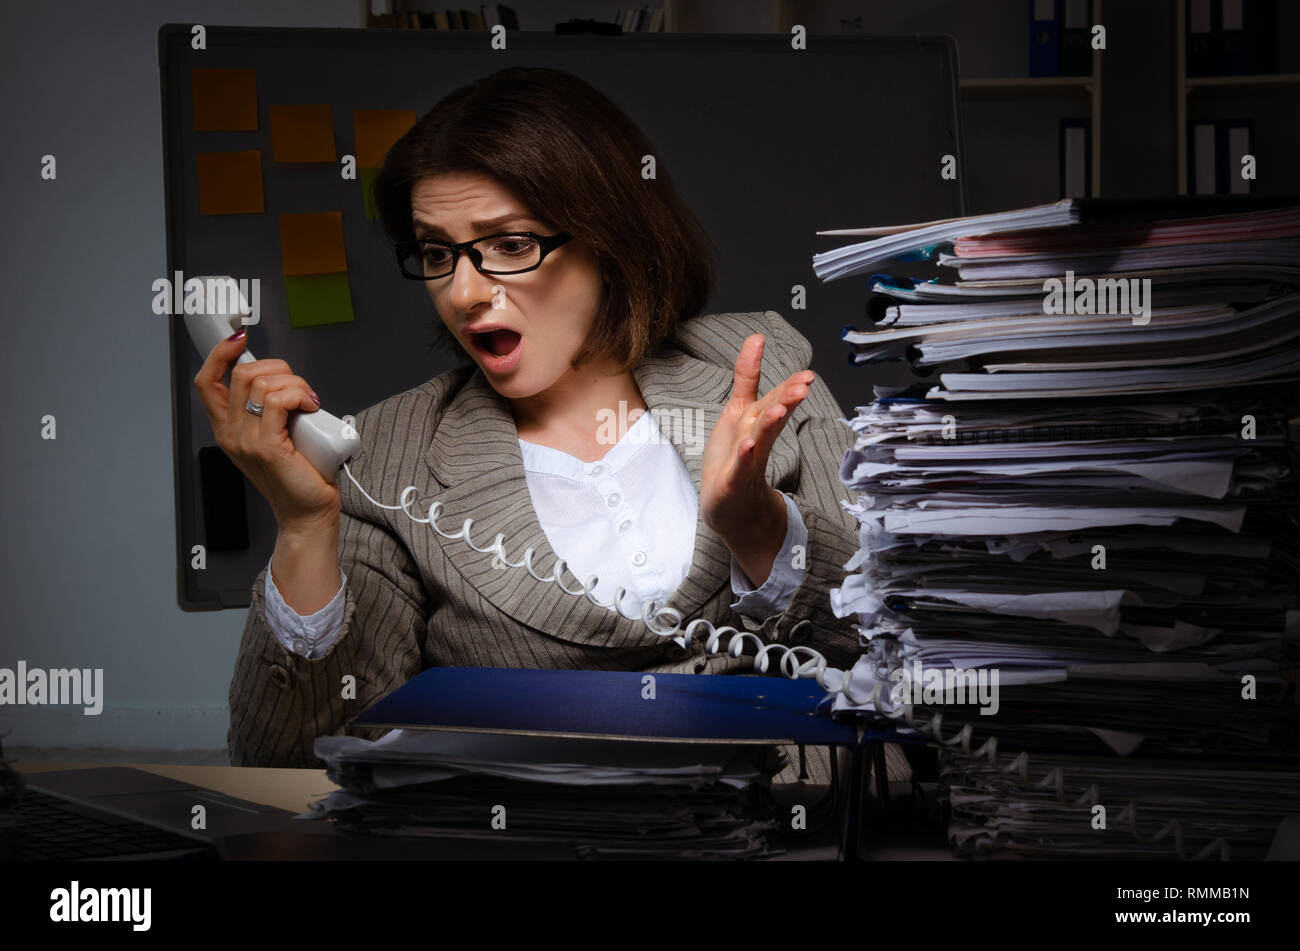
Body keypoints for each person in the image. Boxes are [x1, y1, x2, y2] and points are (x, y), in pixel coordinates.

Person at [194, 67, 862, 779]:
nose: (463, 292)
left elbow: (906, 650)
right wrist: (302, 527)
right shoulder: (386, 455)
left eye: (510, 244)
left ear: (610, 238)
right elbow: (289, 758)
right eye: (437, 252)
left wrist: (759, 525)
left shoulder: (760, 366)